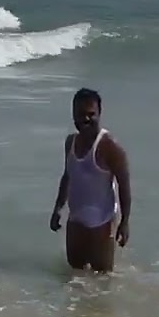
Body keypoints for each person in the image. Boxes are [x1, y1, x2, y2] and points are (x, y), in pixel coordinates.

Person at [49, 87, 131, 273]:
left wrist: (124, 222)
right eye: (80, 114)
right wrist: (58, 209)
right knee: (73, 275)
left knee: (102, 278)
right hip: (76, 220)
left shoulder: (110, 147)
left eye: (91, 114)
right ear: (73, 115)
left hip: (102, 222)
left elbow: (124, 185)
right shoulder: (70, 143)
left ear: (99, 114)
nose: (85, 119)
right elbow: (67, 175)